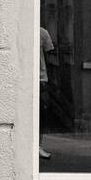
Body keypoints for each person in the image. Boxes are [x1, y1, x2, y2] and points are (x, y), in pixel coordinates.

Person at [38, 25, 55, 160]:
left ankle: (38, 145)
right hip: (26, 78)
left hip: (41, 79)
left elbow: (50, 59)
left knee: (42, 114)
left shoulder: (42, 33)